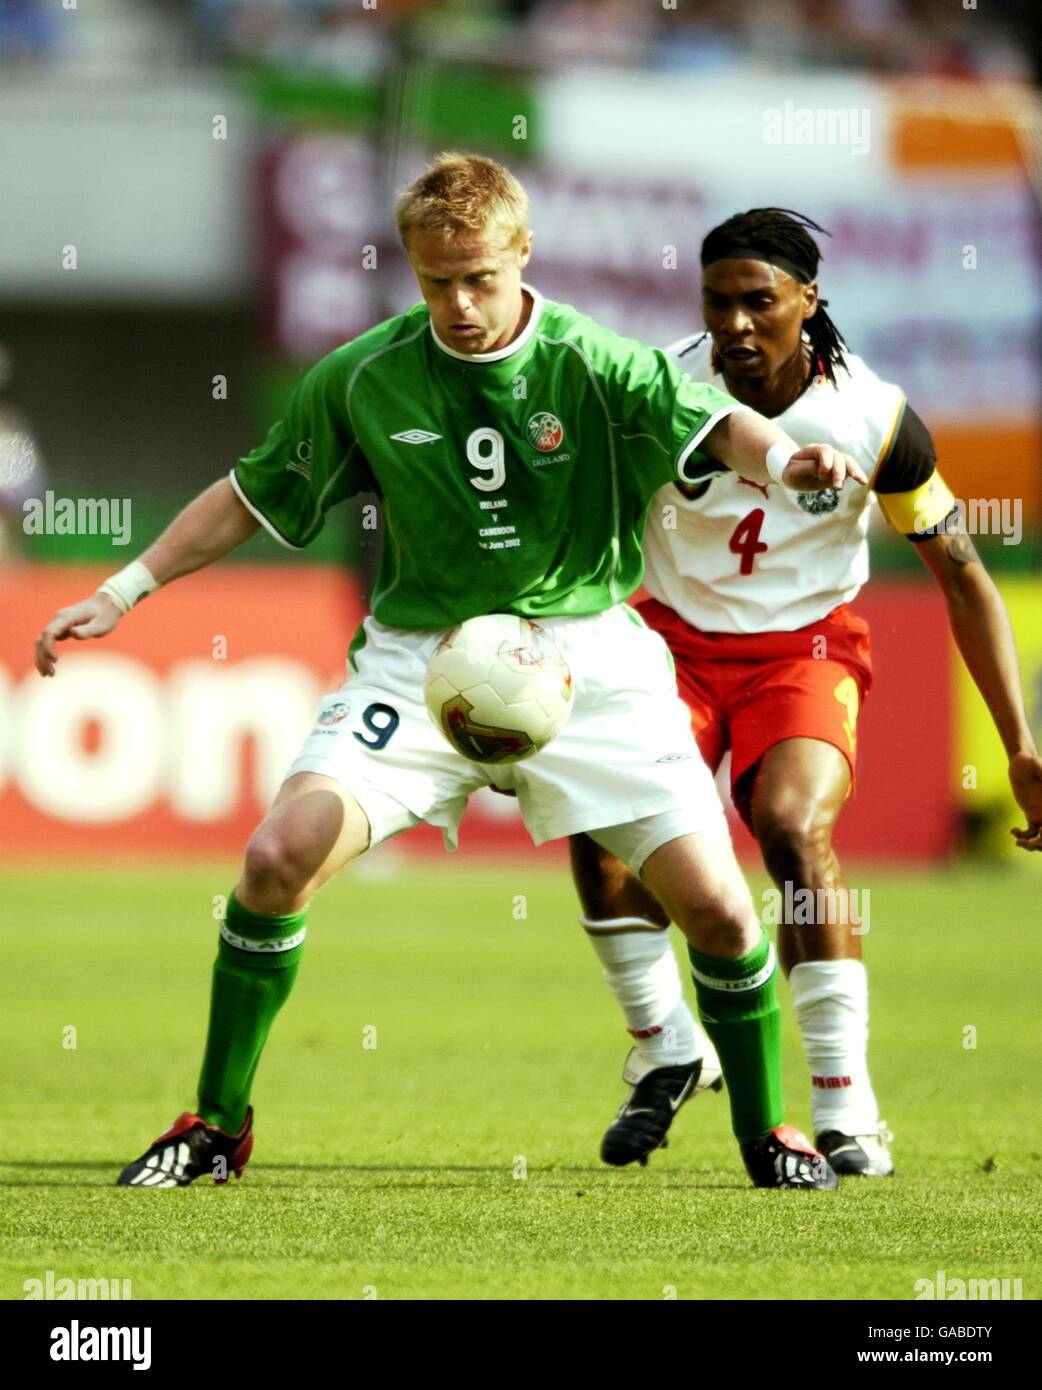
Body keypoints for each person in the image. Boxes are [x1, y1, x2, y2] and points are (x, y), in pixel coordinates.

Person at [35, 161, 865, 1191]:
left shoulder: (590, 360)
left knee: (724, 915)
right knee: (274, 857)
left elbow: (719, 425)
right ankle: (216, 1123)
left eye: (477, 277)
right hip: (421, 661)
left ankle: (767, 1134)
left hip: (590, 659)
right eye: (436, 284)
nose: (459, 305)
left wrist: (786, 460)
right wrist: (122, 591)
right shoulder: (362, 375)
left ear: (521, 255)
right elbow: (249, 495)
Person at [572, 207, 1042, 1177]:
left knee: (789, 825)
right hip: (669, 643)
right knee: (602, 820)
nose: (734, 324)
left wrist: (1019, 743)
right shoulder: (658, 389)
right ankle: (668, 1046)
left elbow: (961, 575)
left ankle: (844, 1104)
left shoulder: (873, 415)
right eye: (716, 303)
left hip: (806, 648)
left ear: (806, 301)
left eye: (757, 301)